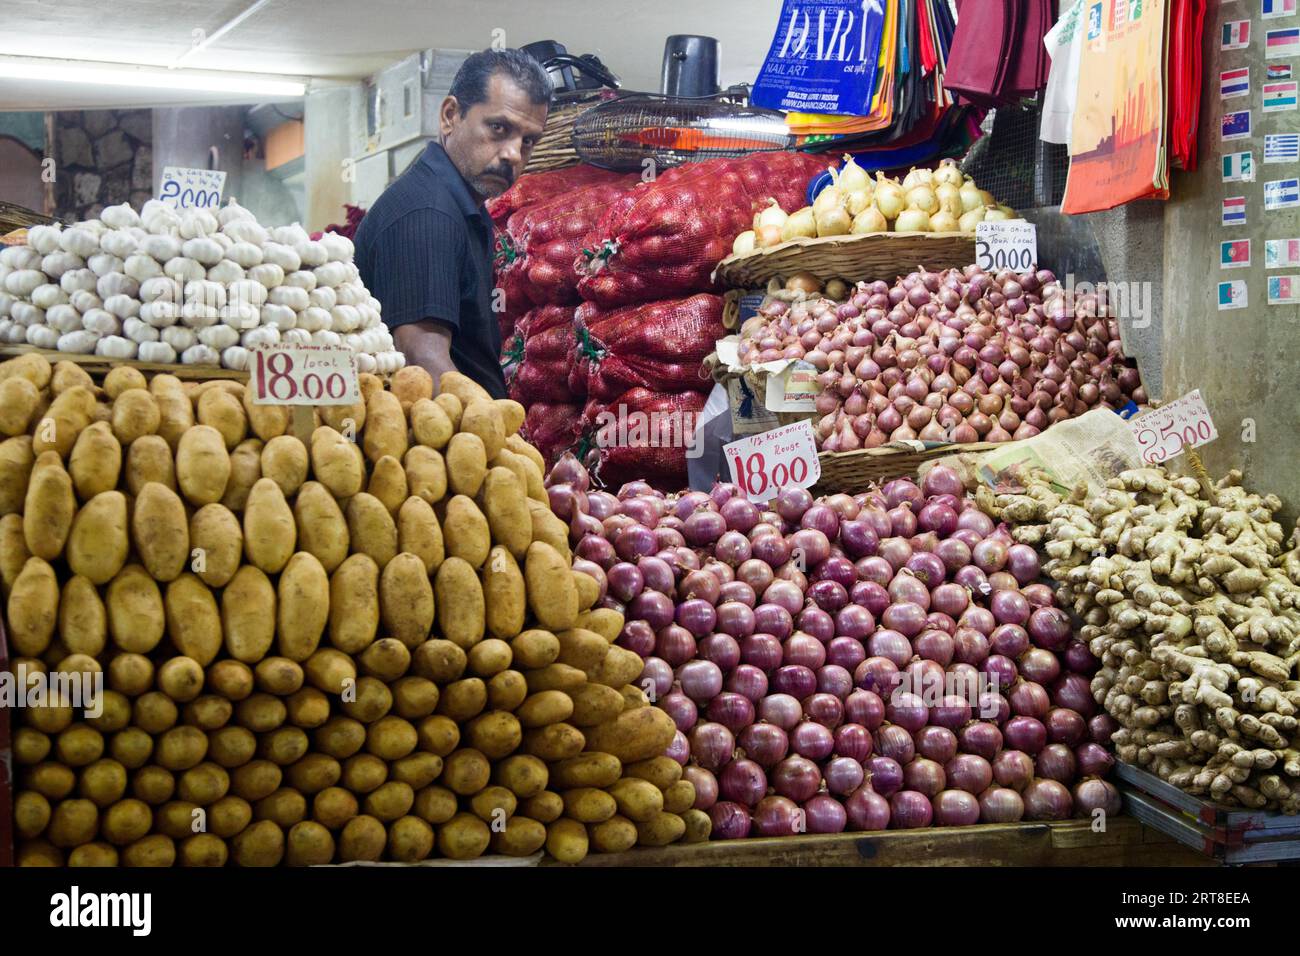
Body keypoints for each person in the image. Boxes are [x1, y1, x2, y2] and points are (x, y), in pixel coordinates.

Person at [354, 48, 552, 398]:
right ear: (450, 115)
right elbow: (422, 359)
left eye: (528, 141)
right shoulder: (428, 212)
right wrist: (498, 440)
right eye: (498, 128)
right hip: (450, 443)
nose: (512, 154)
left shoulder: (458, 206)